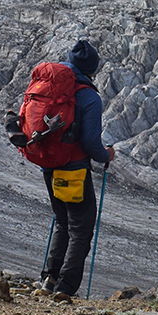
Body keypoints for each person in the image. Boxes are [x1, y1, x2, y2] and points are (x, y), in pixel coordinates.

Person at [36, 39, 114, 298]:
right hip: (74, 170)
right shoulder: (89, 96)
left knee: (62, 221)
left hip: (49, 165)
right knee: (81, 227)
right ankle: (65, 288)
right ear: (92, 68)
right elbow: (91, 142)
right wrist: (106, 155)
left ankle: (49, 280)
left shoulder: (51, 87)